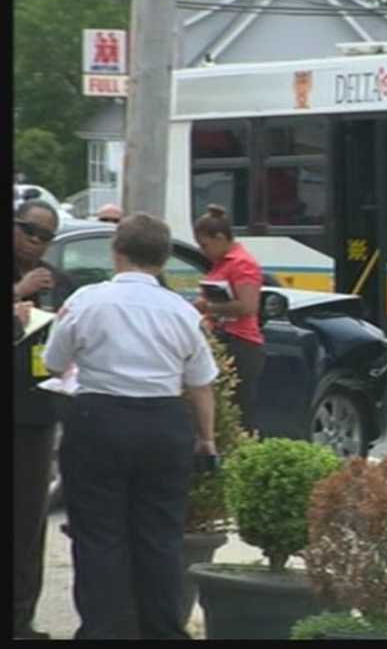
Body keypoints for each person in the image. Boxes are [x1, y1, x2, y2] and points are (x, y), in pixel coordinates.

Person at [42, 213, 219, 639]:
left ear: (116, 253)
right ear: (163, 259)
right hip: (163, 423)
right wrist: (207, 441)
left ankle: (103, 631)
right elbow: (201, 385)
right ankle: (161, 630)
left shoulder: (86, 301)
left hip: (98, 419)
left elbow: (53, 361)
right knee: (160, 536)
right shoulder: (181, 311)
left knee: (98, 534)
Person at [13, 199, 75, 641]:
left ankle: (20, 619)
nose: (36, 242)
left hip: (34, 415)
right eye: (29, 231)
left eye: (46, 237)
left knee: (28, 522)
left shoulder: (57, 282)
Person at [192, 204, 265, 433]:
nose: (204, 251)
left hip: (241, 343)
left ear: (221, 237)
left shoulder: (242, 263)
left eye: (205, 245)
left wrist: (210, 307)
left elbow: (248, 306)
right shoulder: (221, 263)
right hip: (223, 338)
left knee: (238, 411)